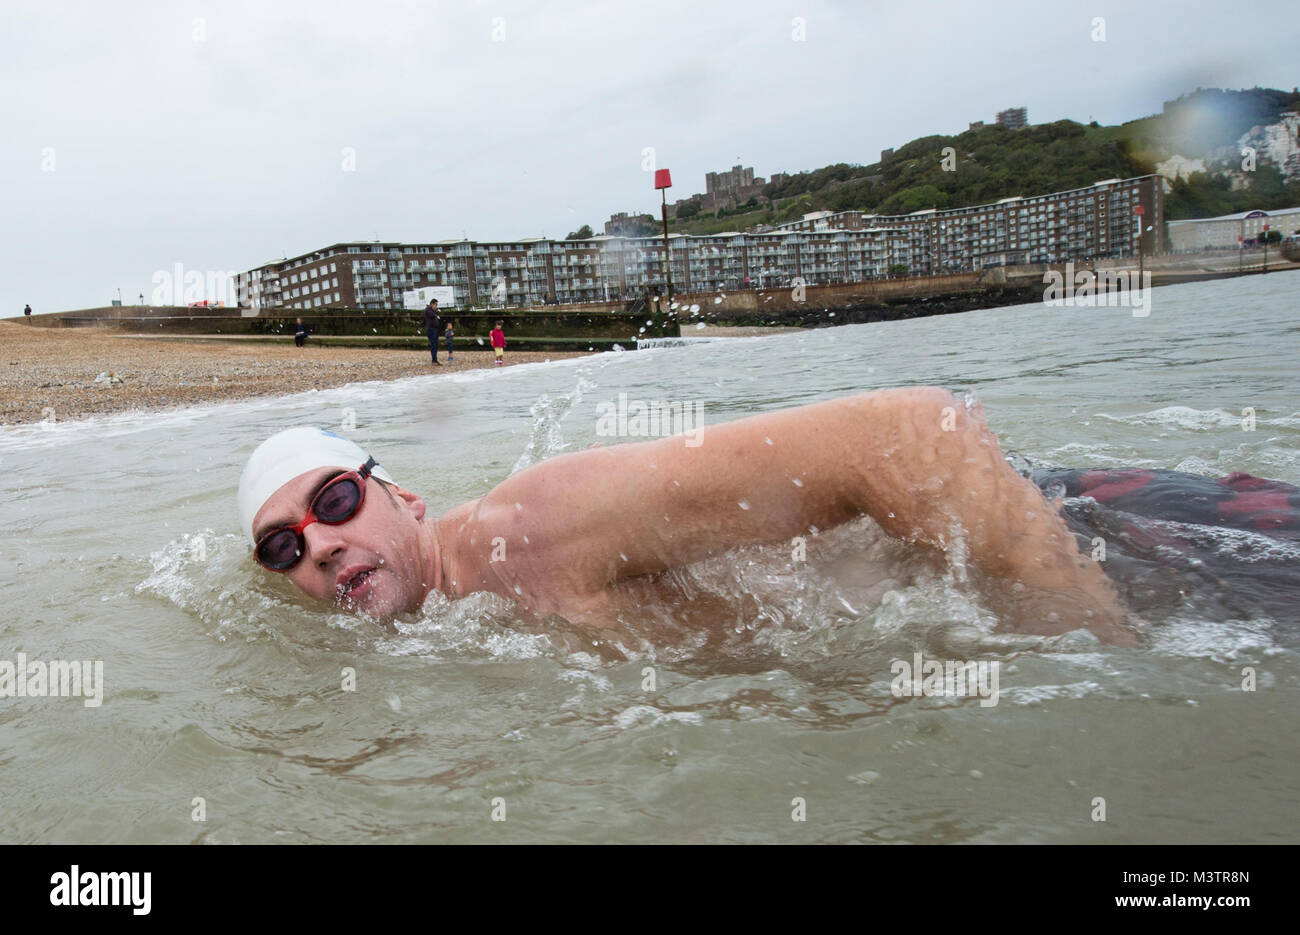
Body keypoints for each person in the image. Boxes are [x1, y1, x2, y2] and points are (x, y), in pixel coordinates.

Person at [236, 388, 1178, 646]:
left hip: (1106, 539)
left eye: (335, 499)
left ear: (405, 498)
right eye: (283, 547)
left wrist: (1099, 642)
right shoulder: (461, 613)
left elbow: (907, 433)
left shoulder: (519, 532)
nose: (320, 545)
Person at [423, 299, 442, 365]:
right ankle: (434, 360)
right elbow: (432, 315)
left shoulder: (432, 310)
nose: (436, 306)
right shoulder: (428, 310)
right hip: (431, 329)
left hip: (434, 329)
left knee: (435, 345)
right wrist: (435, 313)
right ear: (432, 304)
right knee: (433, 345)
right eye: (435, 305)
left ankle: (435, 360)